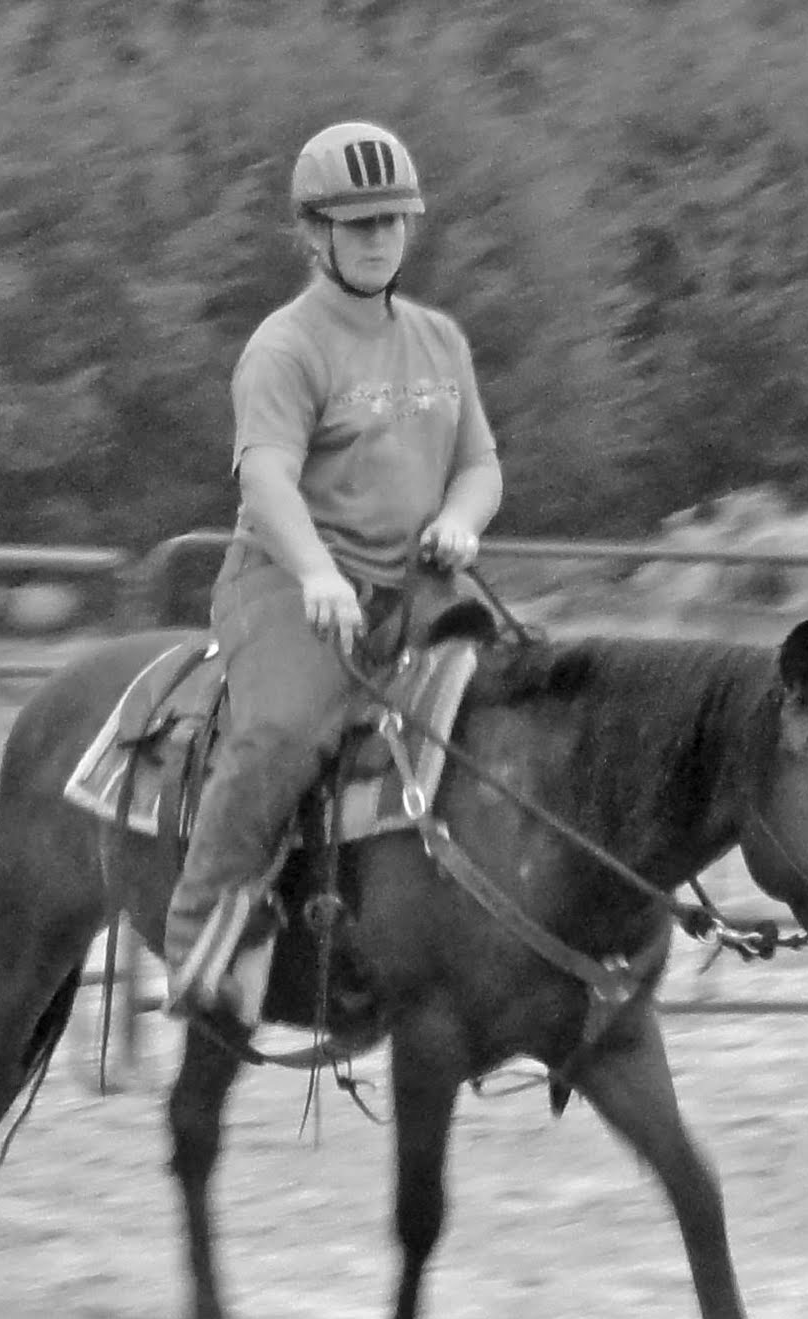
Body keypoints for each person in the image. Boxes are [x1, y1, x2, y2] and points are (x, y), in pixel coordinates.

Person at [164, 119, 503, 1018]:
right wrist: (315, 572)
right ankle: (200, 939)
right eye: (360, 225)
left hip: (417, 589)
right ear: (313, 233)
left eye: (394, 221)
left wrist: (462, 522)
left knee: (522, 696)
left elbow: (479, 463)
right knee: (279, 732)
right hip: (289, 586)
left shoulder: (438, 340)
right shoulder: (286, 345)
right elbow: (264, 474)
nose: (381, 237)